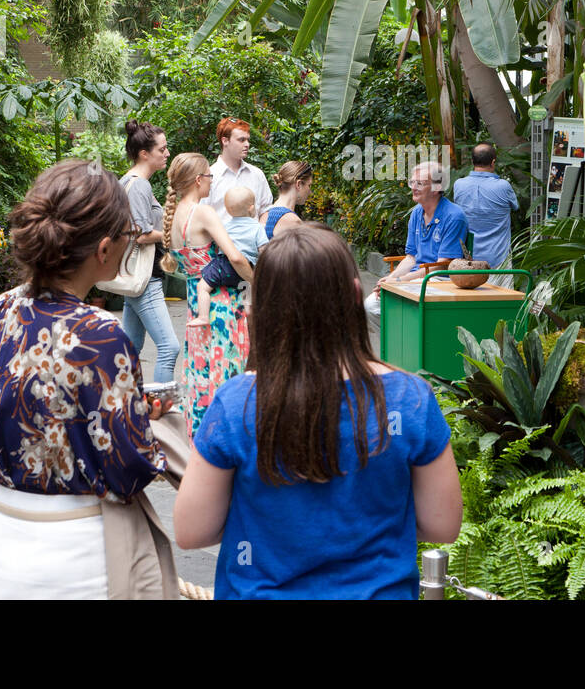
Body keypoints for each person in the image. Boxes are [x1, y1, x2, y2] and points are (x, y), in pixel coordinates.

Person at [173, 223, 462, 599]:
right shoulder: (412, 399)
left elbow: (192, 530)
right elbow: (442, 525)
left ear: (261, 309)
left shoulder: (236, 402)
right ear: (355, 295)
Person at [0, 160, 181, 600]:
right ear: (104, 250)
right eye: (127, 235)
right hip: (75, 553)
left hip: (0, 536)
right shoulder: (100, 334)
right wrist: (152, 425)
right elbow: (128, 468)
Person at [160, 153, 254, 438]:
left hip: (195, 303)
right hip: (222, 303)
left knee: (202, 369)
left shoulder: (174, 215)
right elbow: (235, 256)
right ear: (199, 180)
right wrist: (257, 279)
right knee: (227, 368)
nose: (212, 182)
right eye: (210, 177)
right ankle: (229, 435)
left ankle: (203, 434)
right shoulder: (203, 212)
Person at [364, 161, 469, 323]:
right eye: (412, 182)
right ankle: (398, 346)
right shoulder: (416, 213)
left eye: (419, 183)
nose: (413, 187)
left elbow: (440, 266)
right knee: (371, 304)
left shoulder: (454, 216)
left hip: (441, 279)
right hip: (417, 277)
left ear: (436, 187)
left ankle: (412, 343)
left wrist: (400, 281)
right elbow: (411, 257)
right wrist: (389, 280)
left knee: (405, 304)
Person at [117, 119, 180, 384]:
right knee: (169, 347)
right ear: (145, 154)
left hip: (138, 277)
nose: (167, 154)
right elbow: (140, 234)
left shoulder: (131, 182)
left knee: (129, 349)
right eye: (161, 149)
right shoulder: (138, 185)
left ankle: (121, 404)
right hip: (145, 280)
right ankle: (162, 412)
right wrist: (172, 236)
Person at [192, 186, 268, 326]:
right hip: (247, 270)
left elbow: (216, 245)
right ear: (251, 208)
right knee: (248, 304)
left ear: (227, 210)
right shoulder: (258, 227)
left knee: (202, 287)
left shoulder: (224, 226)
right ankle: (250, 328)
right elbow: (264, 250)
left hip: (223, 267)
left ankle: (203, 316)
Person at [452, 143, 520, 288]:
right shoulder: (503, 186)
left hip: (468, 261)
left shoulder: (459, 184)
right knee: (501, 304)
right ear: (493, 162)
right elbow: (516, 206)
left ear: (472, 161)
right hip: (498, 257)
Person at [202, 117, 272, 226]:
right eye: (241, 140)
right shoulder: (209, 176)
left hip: (255, 241)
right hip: (220, 241)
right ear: (225, 141)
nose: (247, 144)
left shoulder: (257, 174)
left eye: (248, 140)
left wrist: (261, 233)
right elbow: (202, 216)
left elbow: (266, 209)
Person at [260, 160, 312, 240]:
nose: (310, 192)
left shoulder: (265, 215)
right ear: (298, 184)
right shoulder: (292, 221)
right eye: (309, 185)